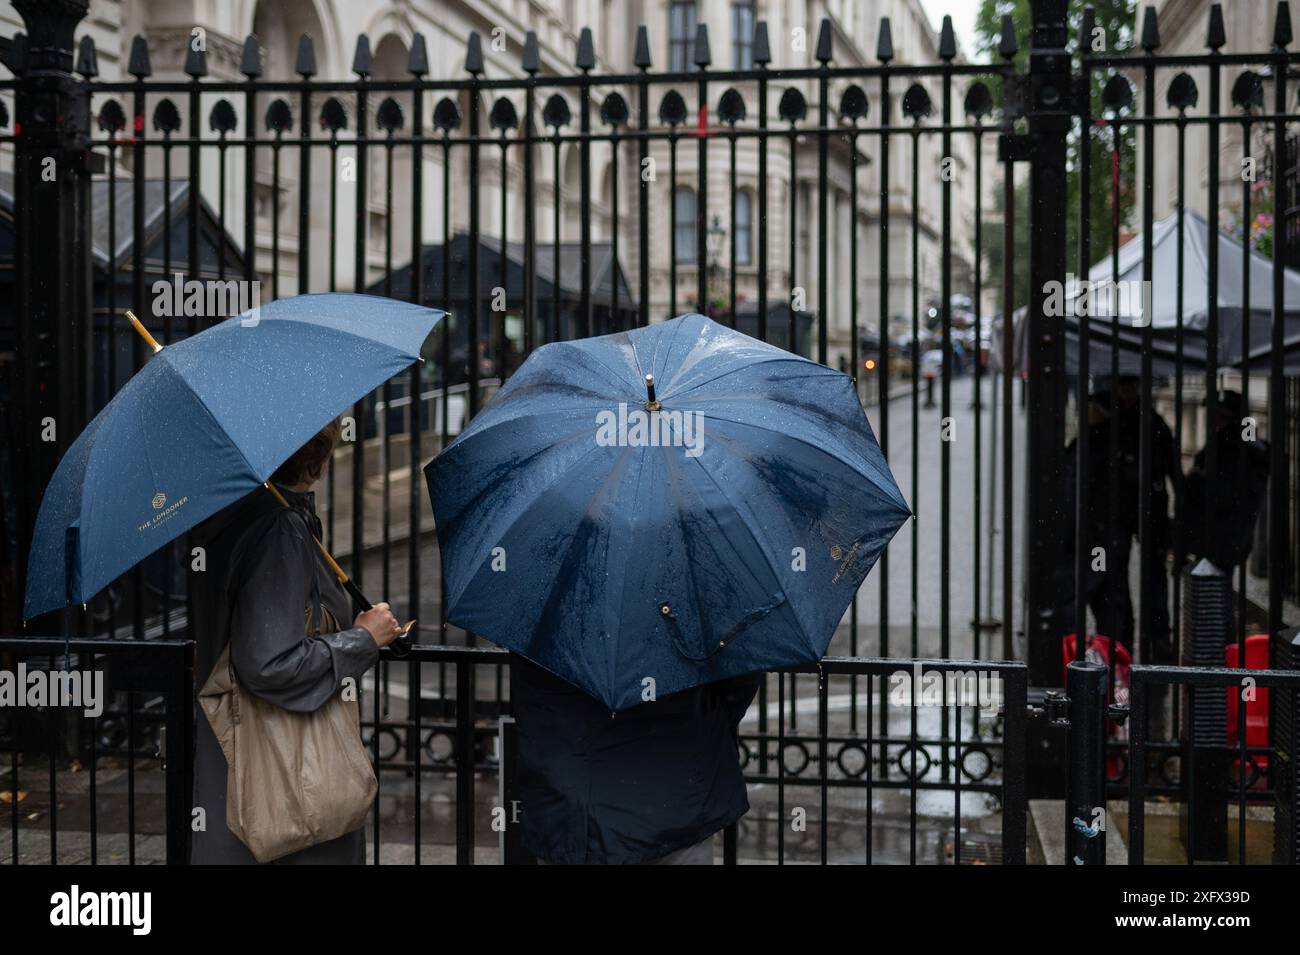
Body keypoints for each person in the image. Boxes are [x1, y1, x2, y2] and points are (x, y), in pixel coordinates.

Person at [188, 419, 405, 864]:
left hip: (234, 762)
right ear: (317, 458)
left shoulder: (234, 516)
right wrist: (364, 639)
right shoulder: (279, 527)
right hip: (278, 772)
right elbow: (270, 662)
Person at [510, 656, 761, 865]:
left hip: (569, 808)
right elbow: (739, 669)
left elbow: (532, 698)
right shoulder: (688, 601)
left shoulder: (538, 603)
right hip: (678, 795)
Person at [1182, 389, 1270, 576]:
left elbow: (1223, 492)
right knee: (1211, 585)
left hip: (1221, 535)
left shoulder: (1234, 445)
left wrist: (1197, 479)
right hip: (1220, 534)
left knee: (1212, 588)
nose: (1213, 419)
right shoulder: (1230, 441)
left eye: (1219, 415)